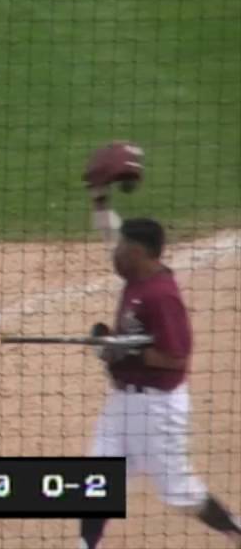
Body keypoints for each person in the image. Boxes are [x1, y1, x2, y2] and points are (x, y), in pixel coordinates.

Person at [78, 203, 241, 548]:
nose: (114, 253)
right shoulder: (136, 276)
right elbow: (112, 234)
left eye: (121, 248)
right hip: (122, 401)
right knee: (97, 477)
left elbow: (174, 356)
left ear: (137, 252)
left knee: (180, 492)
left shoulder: (160, 295)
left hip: (157, 409)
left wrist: (124, 349)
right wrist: (100, 199)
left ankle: (236, 530)